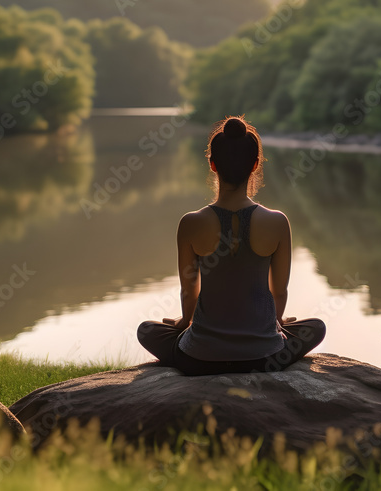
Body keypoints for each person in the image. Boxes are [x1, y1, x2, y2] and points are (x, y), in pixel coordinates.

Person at [136, 115, 326, 376]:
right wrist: (277, 323)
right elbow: (279, 291)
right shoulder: (277, 222)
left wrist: (184, 323)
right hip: (266, 357)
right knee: (316, 327)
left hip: (199, 359)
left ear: (212, 164)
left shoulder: (191, 223)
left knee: (146, 330)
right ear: (255, 164)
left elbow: (189, 292)